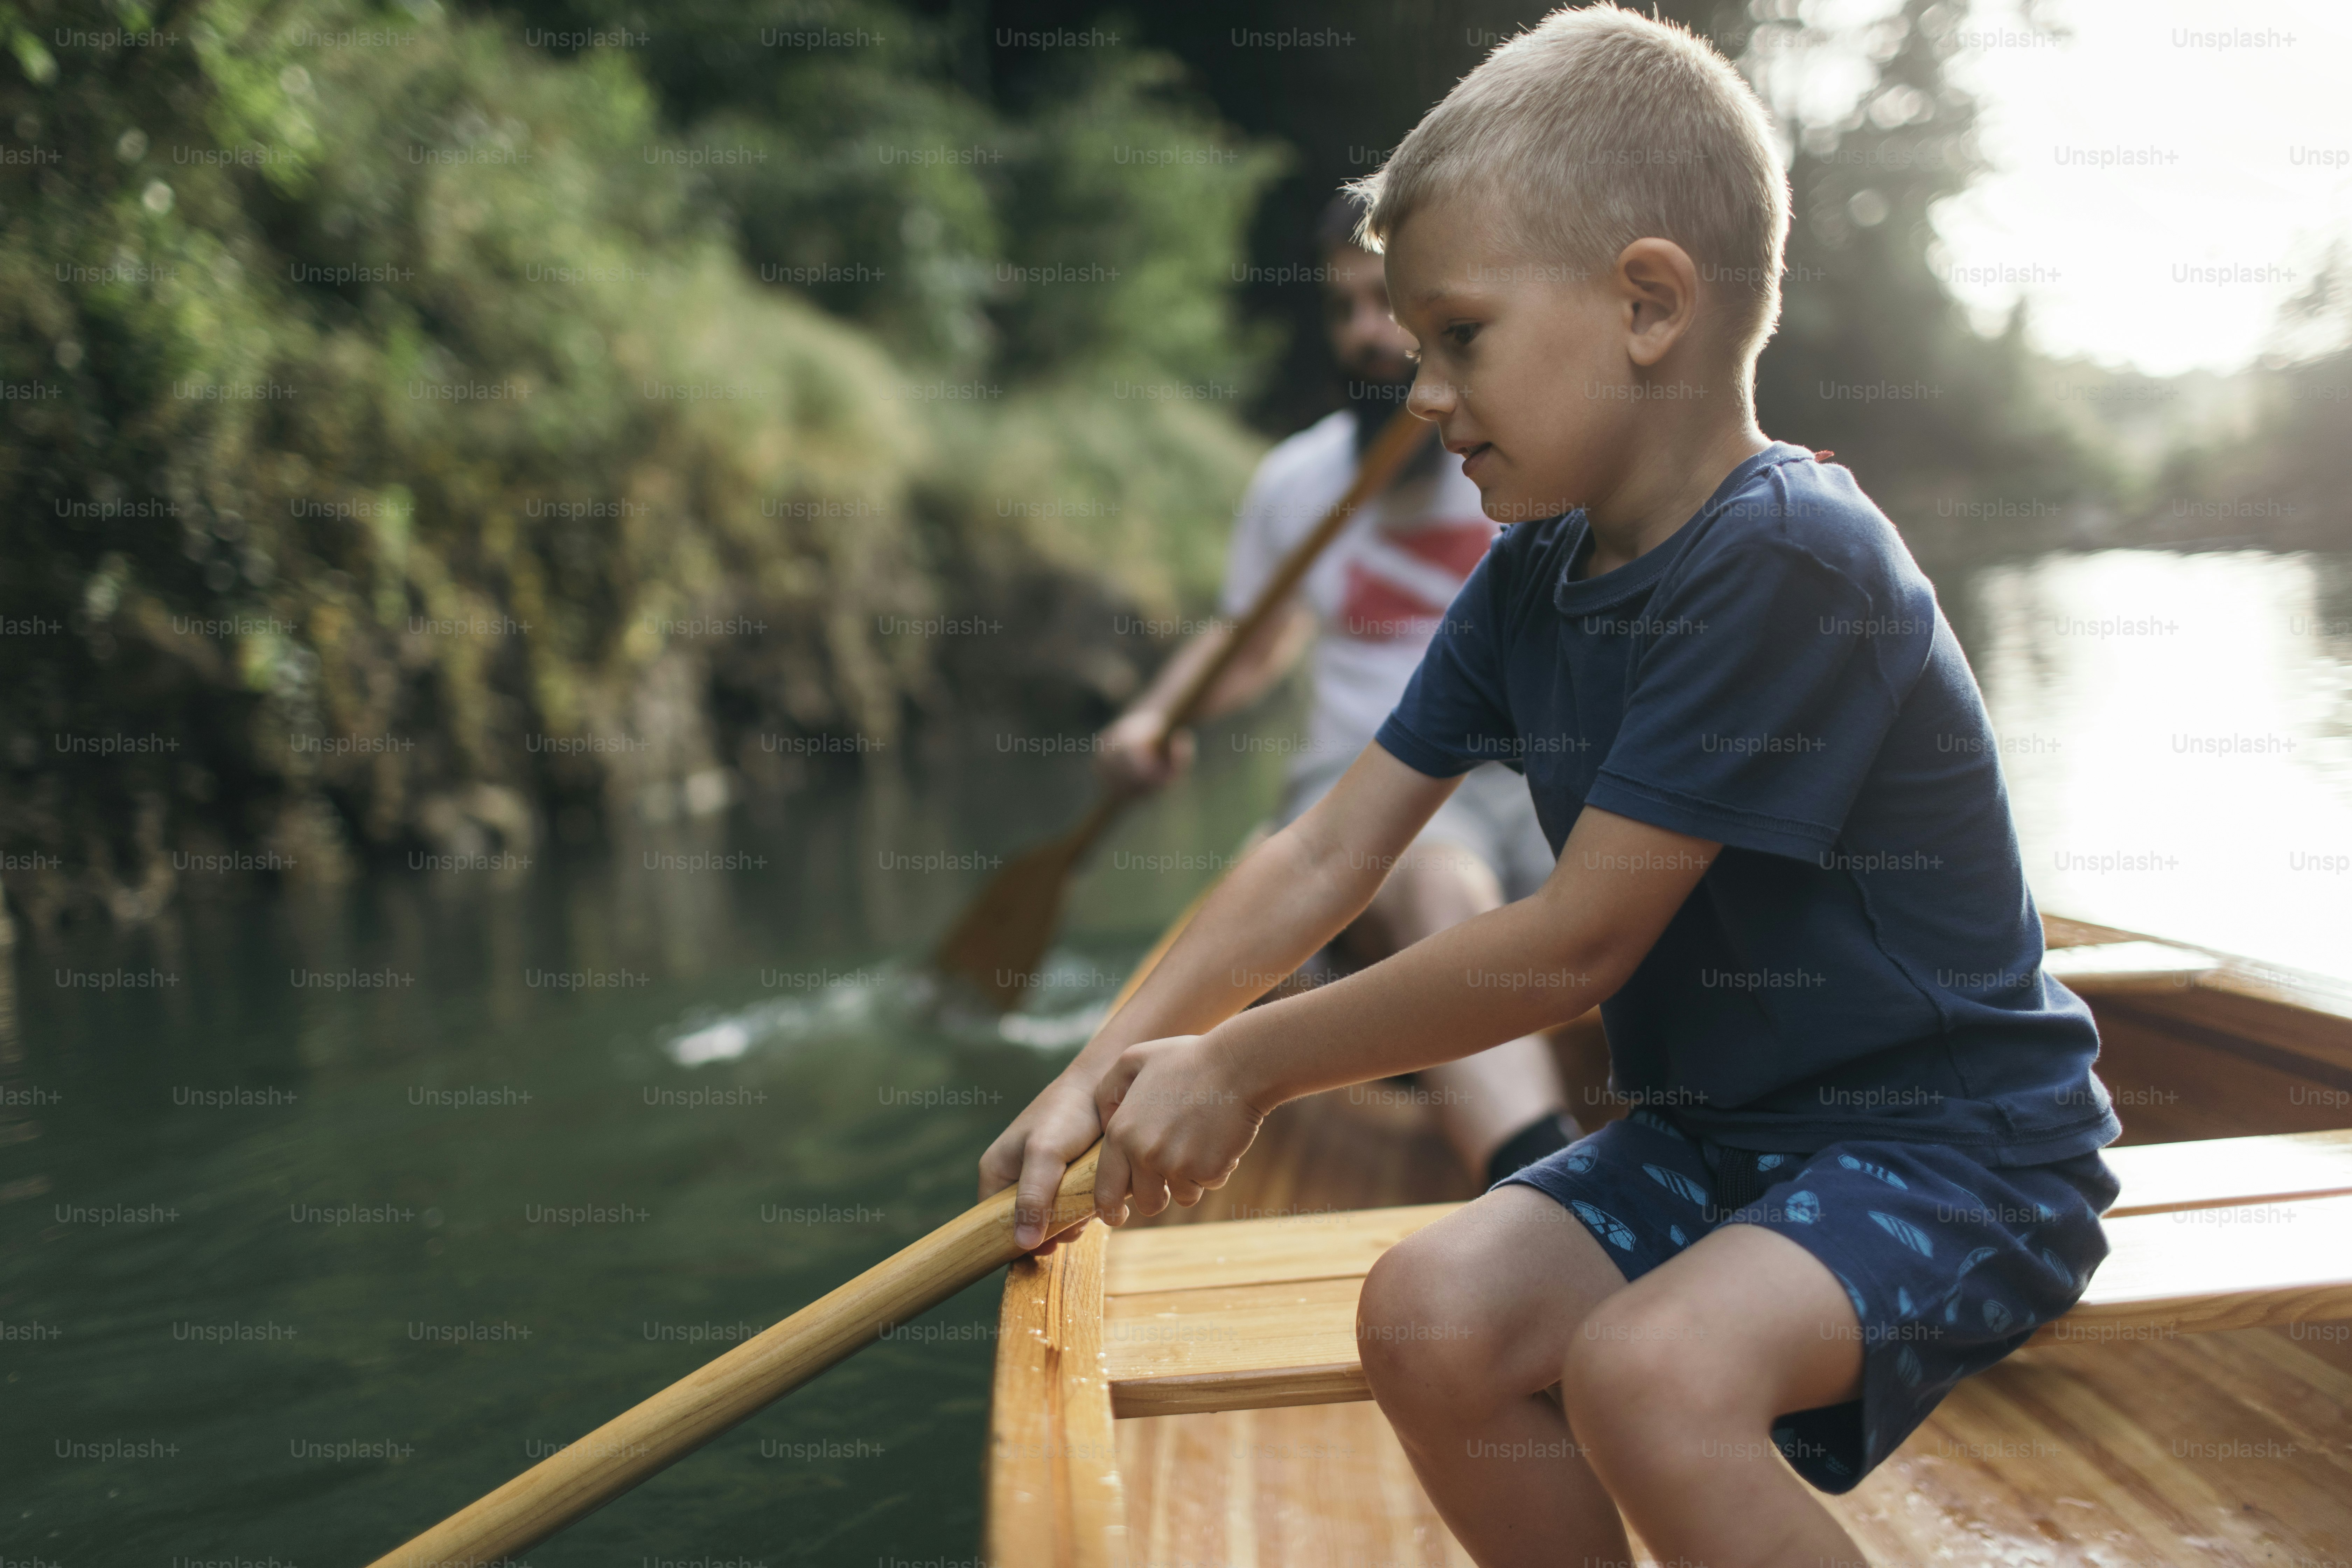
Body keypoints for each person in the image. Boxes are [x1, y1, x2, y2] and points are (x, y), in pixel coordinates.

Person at [980, 8, 2120, 1568]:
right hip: (1714, 1136)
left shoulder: (1790, 559)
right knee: (1429, 1311)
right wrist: (1102, 1073)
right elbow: (1325, 851)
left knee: (1650, 1375)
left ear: (1649, 304)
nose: (1421, 393)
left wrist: (1241, 1067)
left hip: (1951, 1148)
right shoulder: (1533, 579)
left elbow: (1574, 946)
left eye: (1459, 336)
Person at [1091, 192, 1574, 1188]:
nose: (1365, 332)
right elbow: (1251, 638)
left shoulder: (1531, 460)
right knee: (1441, 882)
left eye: (1387, 303)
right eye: (1344, 307)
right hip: (1366, 806)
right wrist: (1154, 716)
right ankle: (1548, 1176)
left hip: (1532, 790)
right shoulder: (1296, 482)